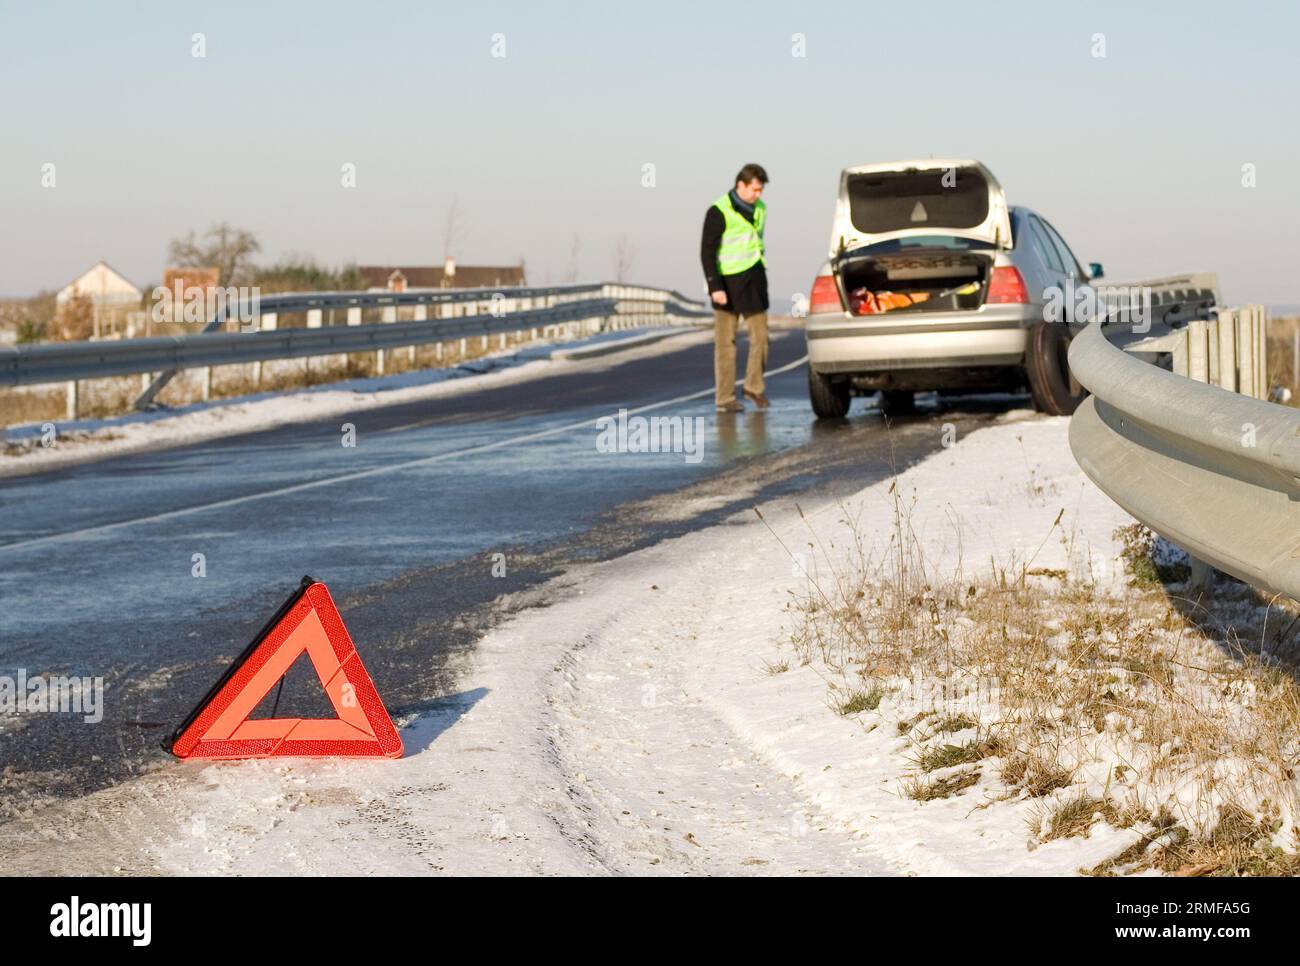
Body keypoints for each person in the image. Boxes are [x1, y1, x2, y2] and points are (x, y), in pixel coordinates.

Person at [701, 163, 770, 412]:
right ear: (740, 185)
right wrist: (714, 286)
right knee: (725, 344)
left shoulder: (760, 208)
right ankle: (725, 398)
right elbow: (707, 251)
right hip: (726, 285)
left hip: (753, 280)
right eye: (754, 190)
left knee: (761, 337)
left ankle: (753, 385)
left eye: (760, 190)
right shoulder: (719, 211)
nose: (758, 195)